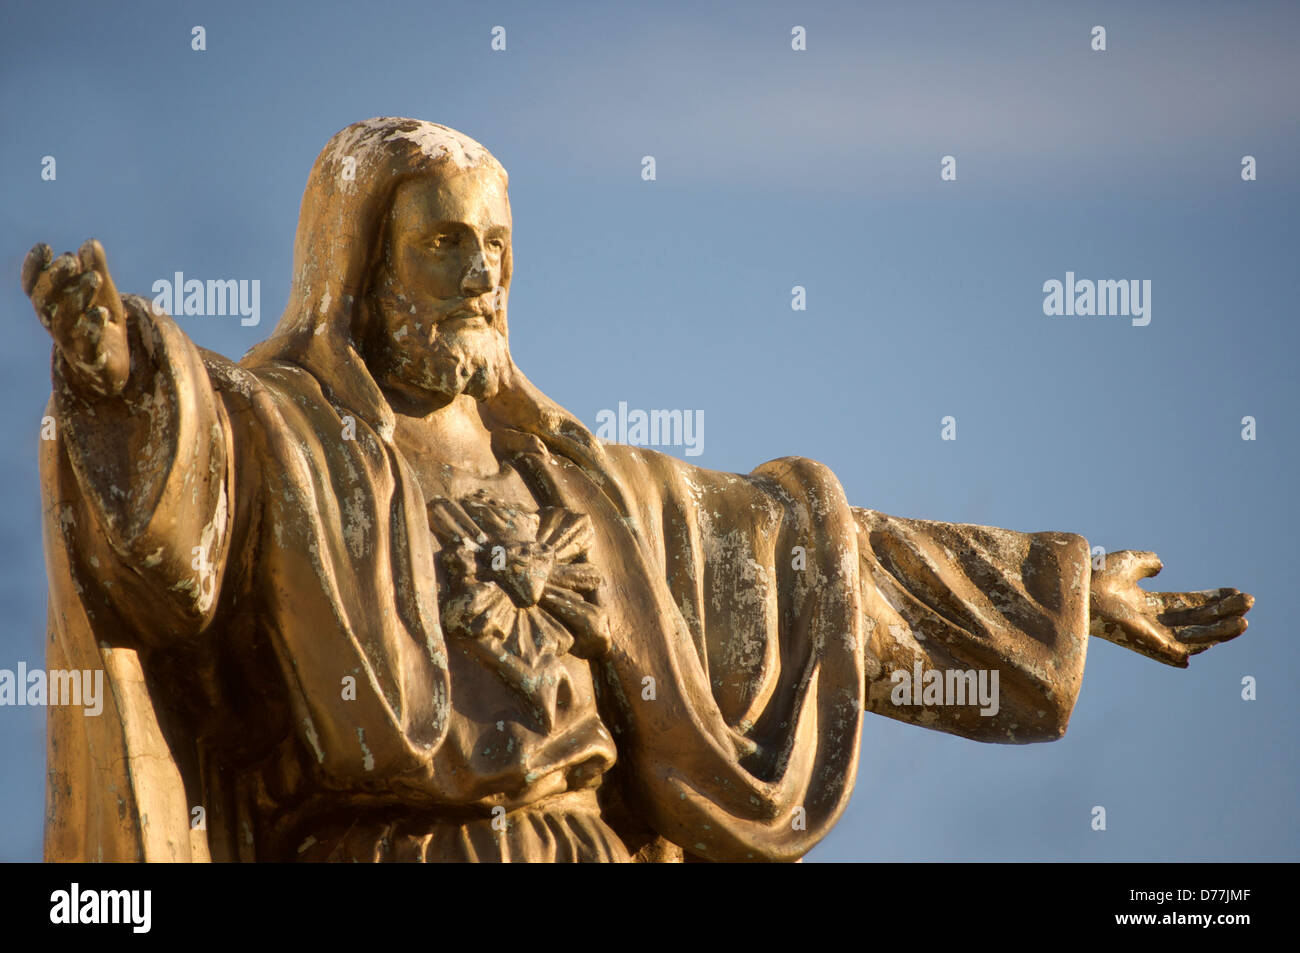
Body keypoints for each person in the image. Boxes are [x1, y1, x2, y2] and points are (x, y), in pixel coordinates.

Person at [28, 118, 1252, 862]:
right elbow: (175, 517)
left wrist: (1062, 597)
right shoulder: (288, 439)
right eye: (442, 240)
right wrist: (119, 372)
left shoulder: (593, 485)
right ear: (360, 260)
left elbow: (815, 558)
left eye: (495, 243)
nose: (478, 270)